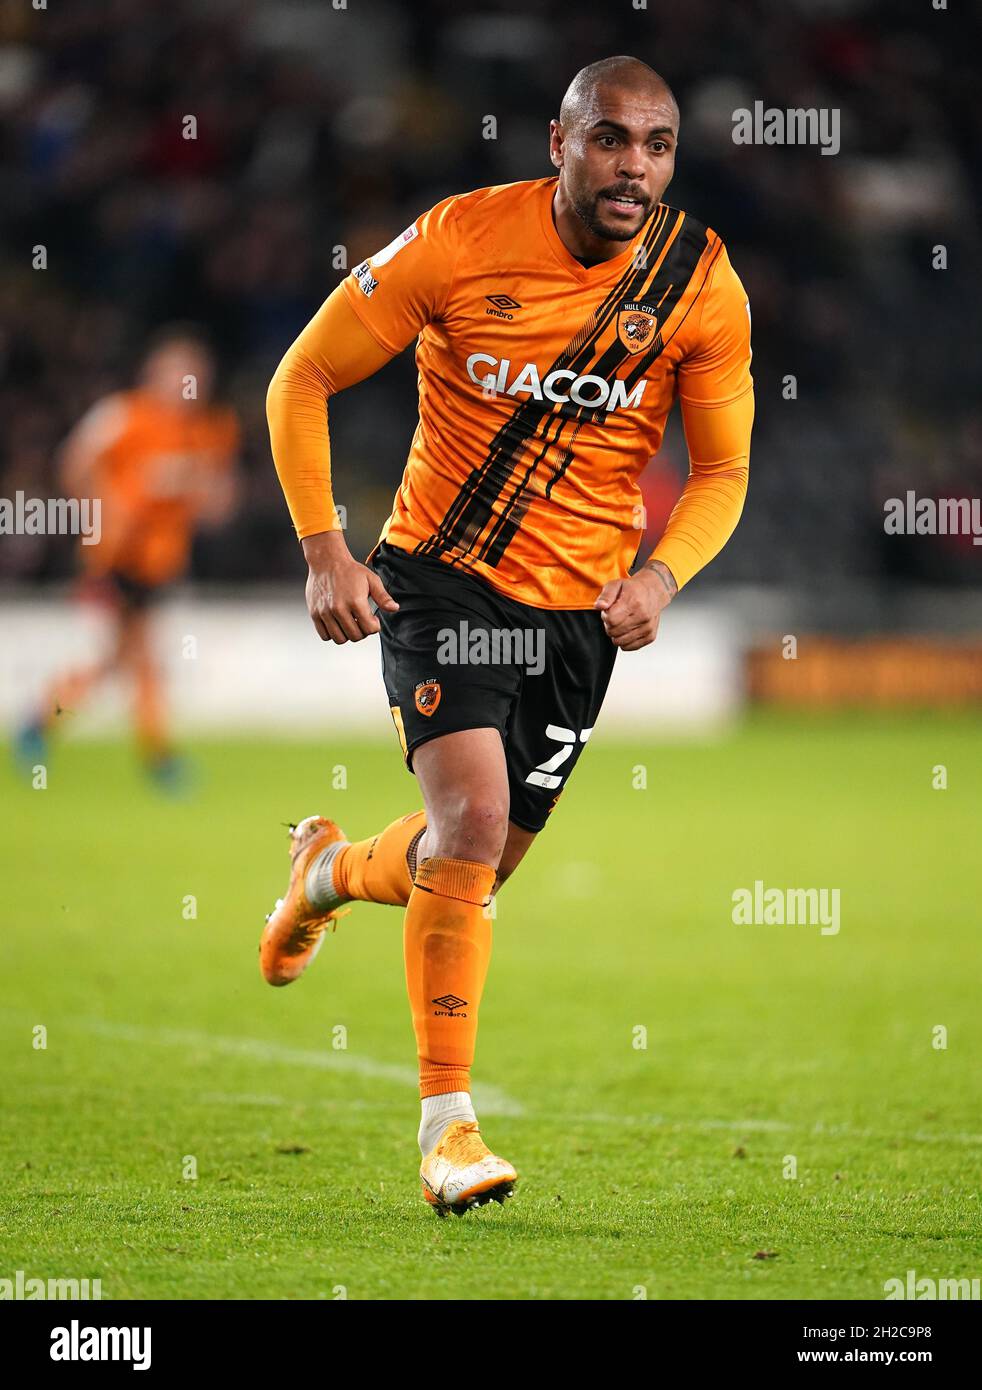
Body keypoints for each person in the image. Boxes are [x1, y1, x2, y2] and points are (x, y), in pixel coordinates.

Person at [263, 56, 754, 1215]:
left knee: (476, 862)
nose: (634, 166)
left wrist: (666, 574)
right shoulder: (459, 240)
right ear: (558, 141)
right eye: (610, 140)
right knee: (472, 821)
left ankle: (326, 872)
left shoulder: (699, 280)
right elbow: (300, 378)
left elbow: (725, 471)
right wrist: (324, 546)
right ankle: (448, 1133)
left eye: (657, 145)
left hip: (578, 619)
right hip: (444, 578)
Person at [16, 326, 239, 787]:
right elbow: (74, 462)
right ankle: (159, 759)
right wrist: (104, 512)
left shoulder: (206, 433)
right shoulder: (124, 415)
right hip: (116, 558)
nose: (186, 385)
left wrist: (193, 485)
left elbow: (219, 504)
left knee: (120, 661)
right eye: (178, 374)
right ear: (153, 374)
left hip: (159, 564)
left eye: (194, 376)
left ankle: (42, 721)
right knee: (137, 659)